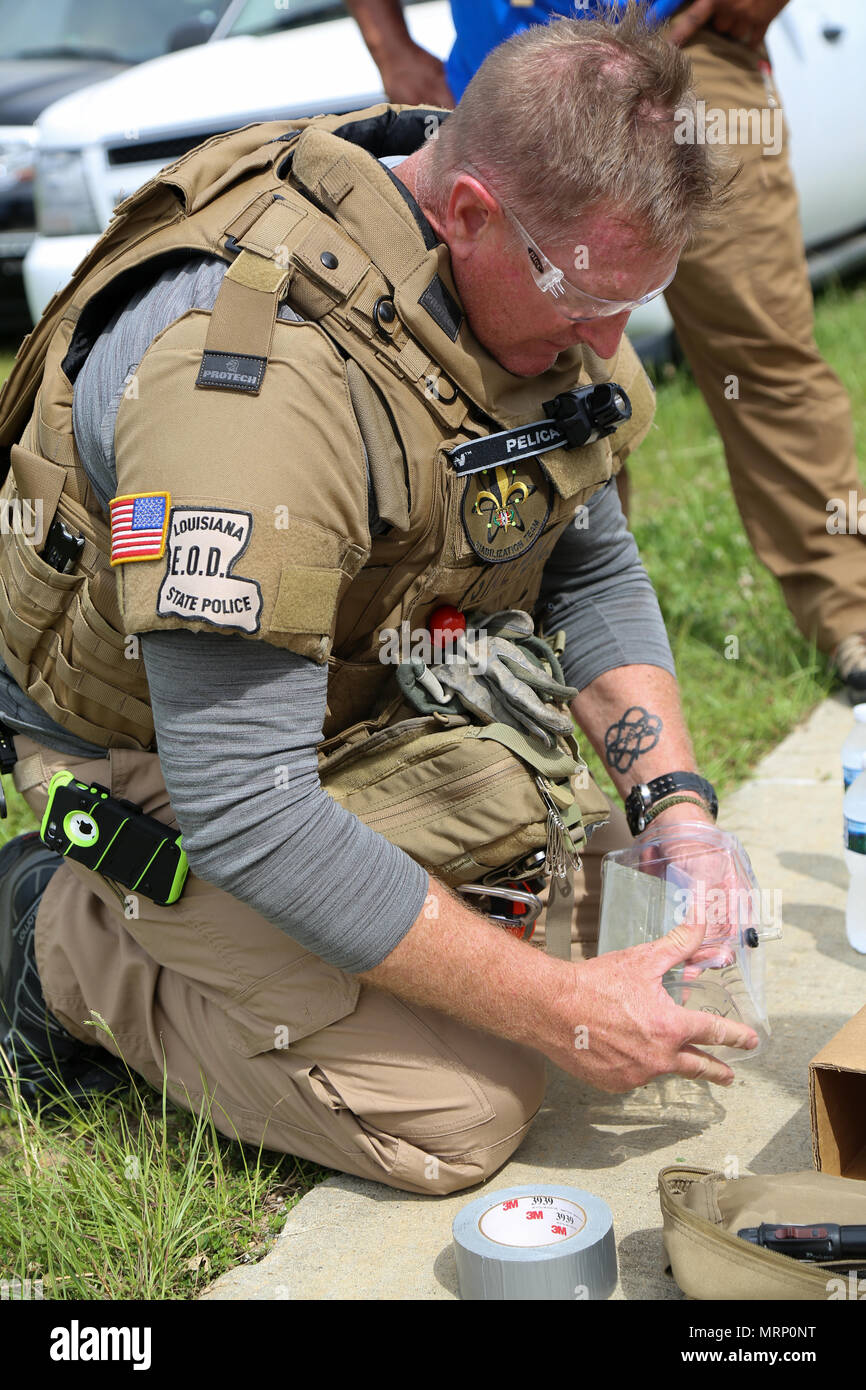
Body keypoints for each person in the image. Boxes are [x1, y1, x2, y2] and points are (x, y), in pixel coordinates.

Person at [0, 10, 757, 1196]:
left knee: (656, 928)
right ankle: (57, 932)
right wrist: (560, 1014)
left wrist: (677, 811)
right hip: (152, 758)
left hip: (338, 706)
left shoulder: (528, 293)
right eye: (583, 298)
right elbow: (246, 804)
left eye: (638, 298)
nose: (608, 342)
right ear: (466, 214)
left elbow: (587, 565)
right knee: (463, 1108)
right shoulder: (242, 390)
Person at [346, 0, 866, 701]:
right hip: (517, 67)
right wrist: (389, 42)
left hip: (683, 45)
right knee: (535, 377)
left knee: (758, 349)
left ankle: (851, 611)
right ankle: (556, 644)